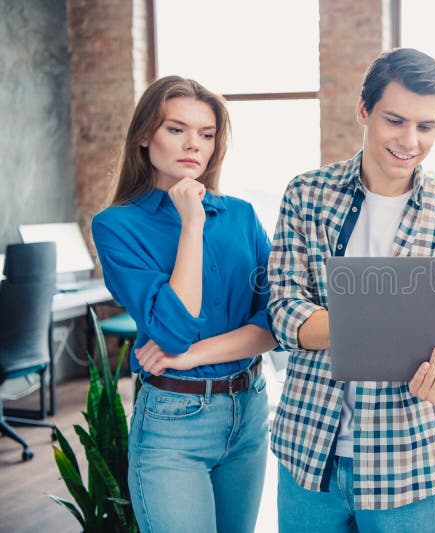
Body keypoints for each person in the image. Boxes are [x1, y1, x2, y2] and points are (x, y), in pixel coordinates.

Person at [267, 48, 435, 532]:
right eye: (395, 120)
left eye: (426, 127)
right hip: (306, 452)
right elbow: (282, 312)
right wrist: (392, 327)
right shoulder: (307, 195)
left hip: (406, 460)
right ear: (364, 111)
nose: (410, 140)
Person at [92, 75, 277, 533]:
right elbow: (173, 329)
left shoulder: (241, 215)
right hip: (175, 424)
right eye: (176, 129)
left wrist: (193, 355)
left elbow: (278, 323)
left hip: (249, 412)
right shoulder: (116, 226)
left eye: (207, 134)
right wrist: (191, 225)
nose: (194, 144)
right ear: (143, 136)